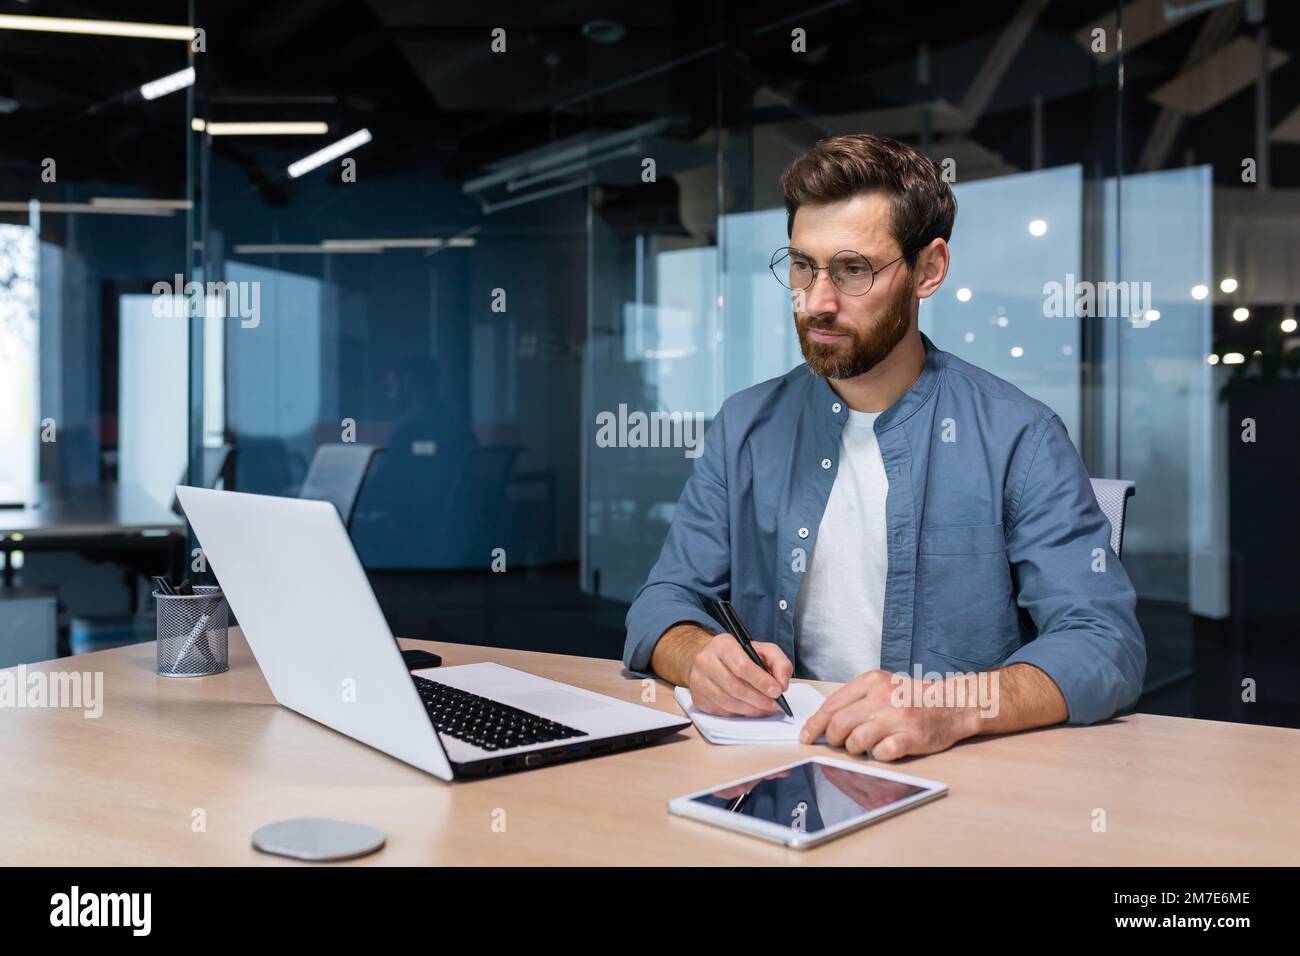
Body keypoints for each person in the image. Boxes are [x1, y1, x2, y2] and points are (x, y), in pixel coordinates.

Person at [623, 133, 1145, 762]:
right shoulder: (745, 426)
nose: (817, 301)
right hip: (778, 765)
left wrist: (950, 707)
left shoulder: (1021, 436)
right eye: (802, 265)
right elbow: (663, 602)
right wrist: (699, 656)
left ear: (929, 270)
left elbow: (1103, 642)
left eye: (853, 270)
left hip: (958, 783)